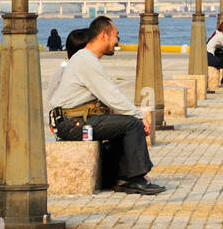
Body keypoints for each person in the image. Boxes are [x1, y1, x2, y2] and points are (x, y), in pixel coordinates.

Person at [45, 15, 166, 195]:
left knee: (122, 124)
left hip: (74, 121)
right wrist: (138, 116)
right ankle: (137, 179)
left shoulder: (85, 58)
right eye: (115, 36)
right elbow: (111, 94)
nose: (117, 41)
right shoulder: (86, 60)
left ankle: (122, 177)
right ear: (104, 36)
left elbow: (108, 96)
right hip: (72, 124)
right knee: (131, 124)